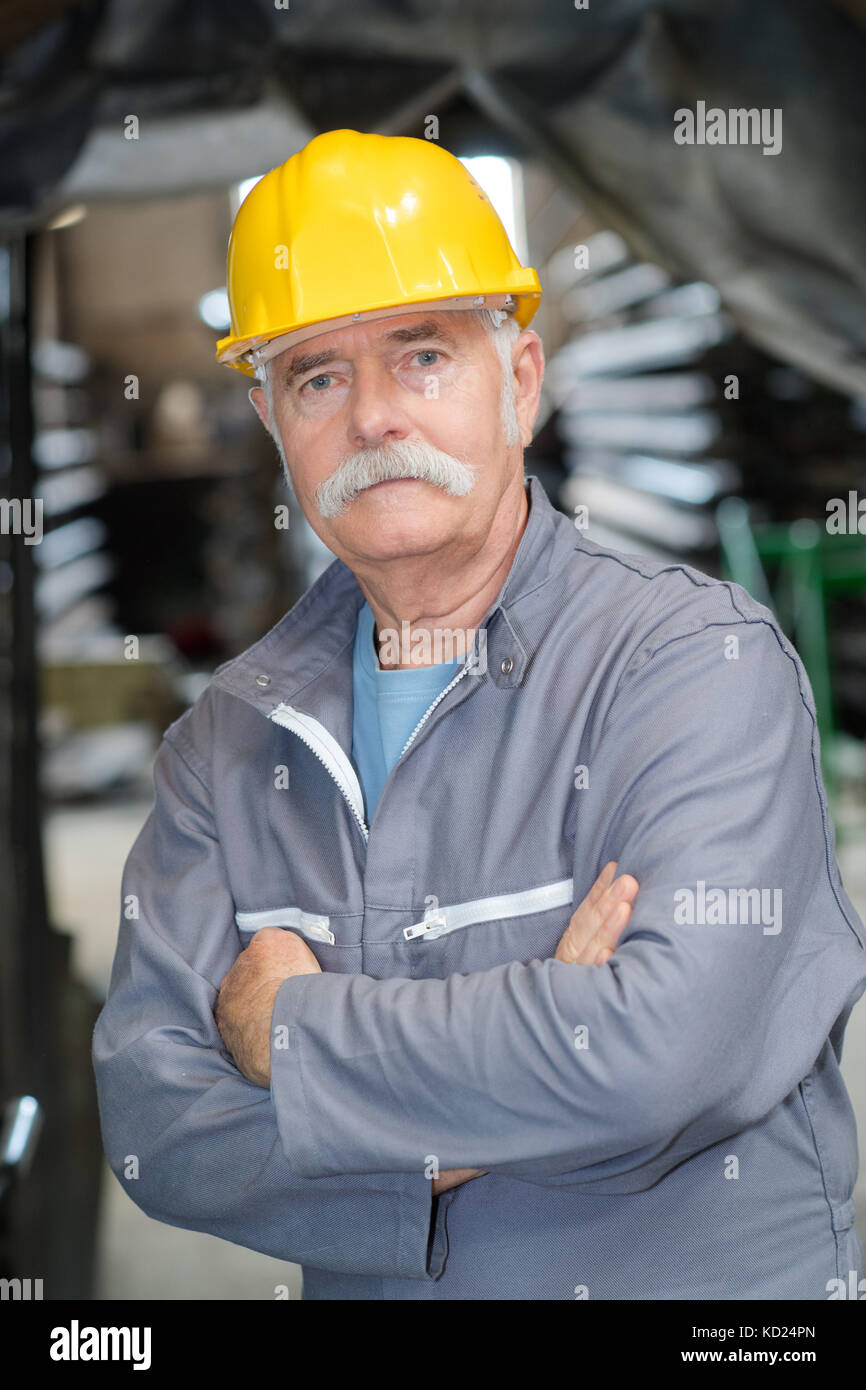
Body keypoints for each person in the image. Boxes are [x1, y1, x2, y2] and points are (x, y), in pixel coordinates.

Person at [92, 129, 866, 1300]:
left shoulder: (690, 664)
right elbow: (158, 1126)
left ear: (518, 382)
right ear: (272, 424)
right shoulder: (225, 745)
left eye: (421, 356)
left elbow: (655, 1055)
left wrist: (292, 1036)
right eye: (316, 376)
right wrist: (496, 1094)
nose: (371, 419)